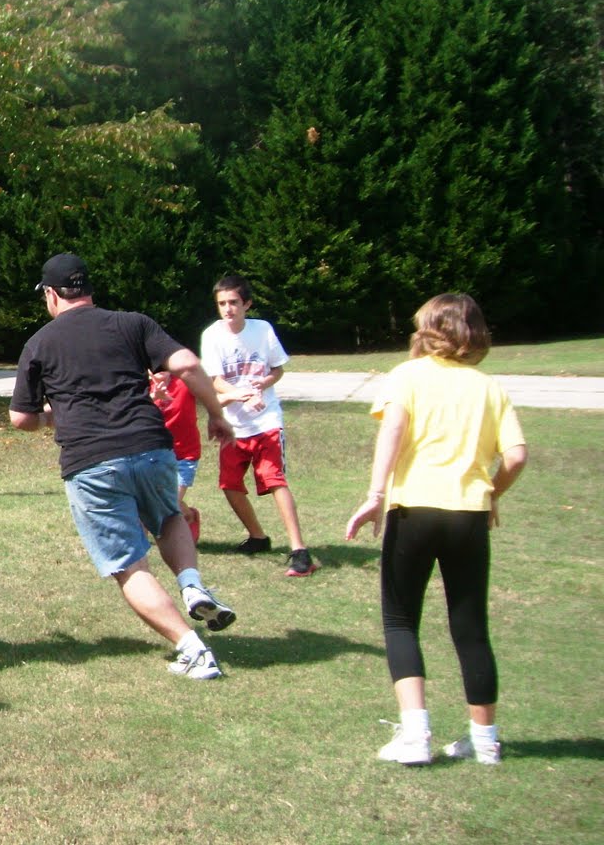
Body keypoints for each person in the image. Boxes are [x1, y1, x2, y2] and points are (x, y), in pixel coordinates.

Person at [10, 252, 238, 680]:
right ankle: (191, 584)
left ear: (53, 295)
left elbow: (21, 418)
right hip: (151, 445)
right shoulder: (133, 323)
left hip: (91, 461)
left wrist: (53, 416)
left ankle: (191, 648)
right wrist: (217, 414)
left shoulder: (39, 343)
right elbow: (187, 363)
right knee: (169, 515)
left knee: (127, 564)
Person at [344, 293, 527, 767]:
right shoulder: (490, 387)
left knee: (401, 620)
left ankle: (416, 736)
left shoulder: (406, 375)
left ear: (427, 329)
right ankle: (485, 742)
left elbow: (393, 432)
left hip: (414, 511)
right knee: (471, 628)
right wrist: (491, 494)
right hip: (468, 514)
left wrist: (375, 496)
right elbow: (516, 457)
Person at [199, 275, 317, 577]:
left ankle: (299, 549)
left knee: (274, 479)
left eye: (234, 303)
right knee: (230, 485)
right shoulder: (212, 336)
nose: (228, 309)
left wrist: (262, 384)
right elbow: (215, 381)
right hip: (233, 425)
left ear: (247, 304)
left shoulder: (262, 330)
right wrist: (242, 394)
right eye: (222, 304)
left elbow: (277, 370)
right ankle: (258, 536)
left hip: (266, 421)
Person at [149, 369, 202, 543]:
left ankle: (186, 518)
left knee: (169, 500)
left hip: (185, 455)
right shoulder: (141, 386)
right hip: (156, 453)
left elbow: (210, 394)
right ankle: (188, 514)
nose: (160, 370)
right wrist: (152, 396)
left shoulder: (184, 382)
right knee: (161, 499)